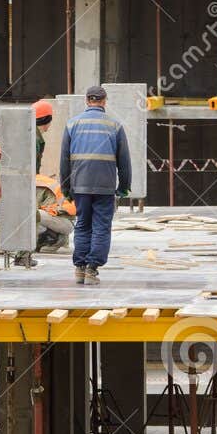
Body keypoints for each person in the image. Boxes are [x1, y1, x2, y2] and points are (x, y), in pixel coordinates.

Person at [59, 85, 131, 285]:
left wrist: (66, 188)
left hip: (79, 185)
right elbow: (124, 161)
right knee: (101, 226)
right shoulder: (115, 126)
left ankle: (79, 269)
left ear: (86, 101)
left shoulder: (72, 124)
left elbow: (64, 160)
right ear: (104, 101)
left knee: (82, 224)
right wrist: (124, 186)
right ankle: (92, 269)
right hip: (105, 186)